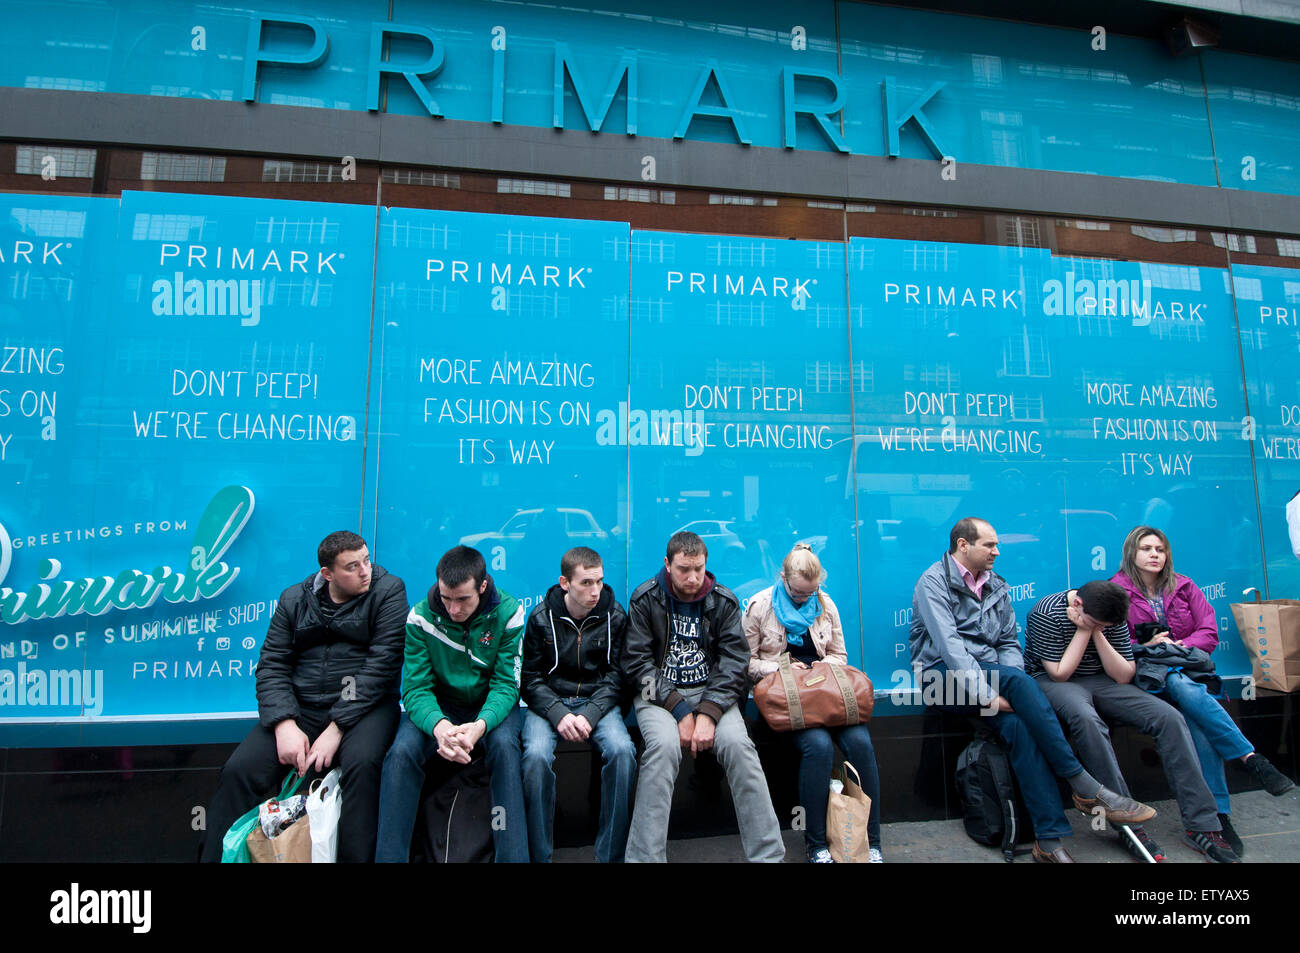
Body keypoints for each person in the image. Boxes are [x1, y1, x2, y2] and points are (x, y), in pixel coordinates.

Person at [909, 517, 1157, 864]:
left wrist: (1009, 686)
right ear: (963, 545)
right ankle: (1082, 783)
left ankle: (1049, 841)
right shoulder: (933, 582)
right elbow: (951, 650)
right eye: (989, 544)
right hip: (942, 680)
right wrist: (990, 695)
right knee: (1018, 681)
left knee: (1020, 727)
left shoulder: (997, 584)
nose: (997, 551)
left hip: (994, 677)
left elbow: (1009, 641)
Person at [201, 530, 407, 863]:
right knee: (239, 770)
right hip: (301, 708)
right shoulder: (293, 599)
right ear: (328, 574)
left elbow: (382, 666)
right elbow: (272, 664)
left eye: (367, 560)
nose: (365, 570)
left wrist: (337, 727)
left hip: (365, 709)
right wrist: (283, 723)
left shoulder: (388, 591)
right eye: (352, 566)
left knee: (363, 765)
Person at [1111, 525, 1294, 856]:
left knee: (1197, 713)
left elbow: (1208, 631)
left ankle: (1216, 819)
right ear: (1131, 554)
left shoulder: (1183, 585)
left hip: (1187, 672)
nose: (1154, 554)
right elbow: (1118, 645)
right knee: (1183, 685)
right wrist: (1150, 645)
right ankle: (1251, 761)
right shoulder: (1116, 592)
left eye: (1160, 549)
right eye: (1146, 548)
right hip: (1147, 679)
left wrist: (1178, 646)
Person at [1026, 580, 1237, 862]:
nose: (1104, 628)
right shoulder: (1046, 612)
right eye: (1098, 623)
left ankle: (1204, 824)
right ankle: (1128, 824)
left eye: (1107, 626)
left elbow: (1124, 675)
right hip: (1054, 681)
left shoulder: (1111, 612)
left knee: (1169, 718)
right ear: (1077, 604)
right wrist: (1084, 629)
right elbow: (1060, 673)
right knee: (1086, 719)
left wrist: (1095, 631)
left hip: (1104, 681)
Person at [621, 530, 786, 863]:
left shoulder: (723, 601)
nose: (693, 577)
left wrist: (708, 713)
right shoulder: (646, 598)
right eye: (684, 569)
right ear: (667, 565)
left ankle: (768, 857)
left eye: (698, 568)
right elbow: (637, 663)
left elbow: (735, 663)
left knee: (741, 748)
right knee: (662, 749)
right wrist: (680, 710)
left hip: (713, 694)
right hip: (660, 696)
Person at [373, 545, 529, 862]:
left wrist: (479, 726)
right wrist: (440, 727)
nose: (453, 609)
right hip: (440, 708)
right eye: (446, 598)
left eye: (463, 599)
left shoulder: (508, 613)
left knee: (504, 748)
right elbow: (415, 688)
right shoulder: (420, 618)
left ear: (482, 586)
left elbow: (506, 684)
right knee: (401, 754)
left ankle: (513, 857)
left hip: (490, 707)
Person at [744, 543, 883, 863]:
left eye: (811, 592)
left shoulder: (825, 603)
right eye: (797, 593)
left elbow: (840, 655)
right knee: (818, 747)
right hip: (787, 703)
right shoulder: (761, 605)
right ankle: (817, 844)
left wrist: (817, 669)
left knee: (860, 743)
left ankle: (870, 840)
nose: (805, 598)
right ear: (783, 578)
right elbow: (745, 662)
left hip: (827, 695)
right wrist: (783, 668)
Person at [520, 546, 636, 863]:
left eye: (598, 581)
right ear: (565, 583)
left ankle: (610, 855)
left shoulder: (615, 616)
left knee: (622, 752)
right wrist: (559, 715)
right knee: (536, 757)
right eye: (586, 582)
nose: (595, 590)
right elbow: (529, 680)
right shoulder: (541, 618)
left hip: (597, 701)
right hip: (550, 702)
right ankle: (539, 854)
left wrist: (590, 714)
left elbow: (618, 677)